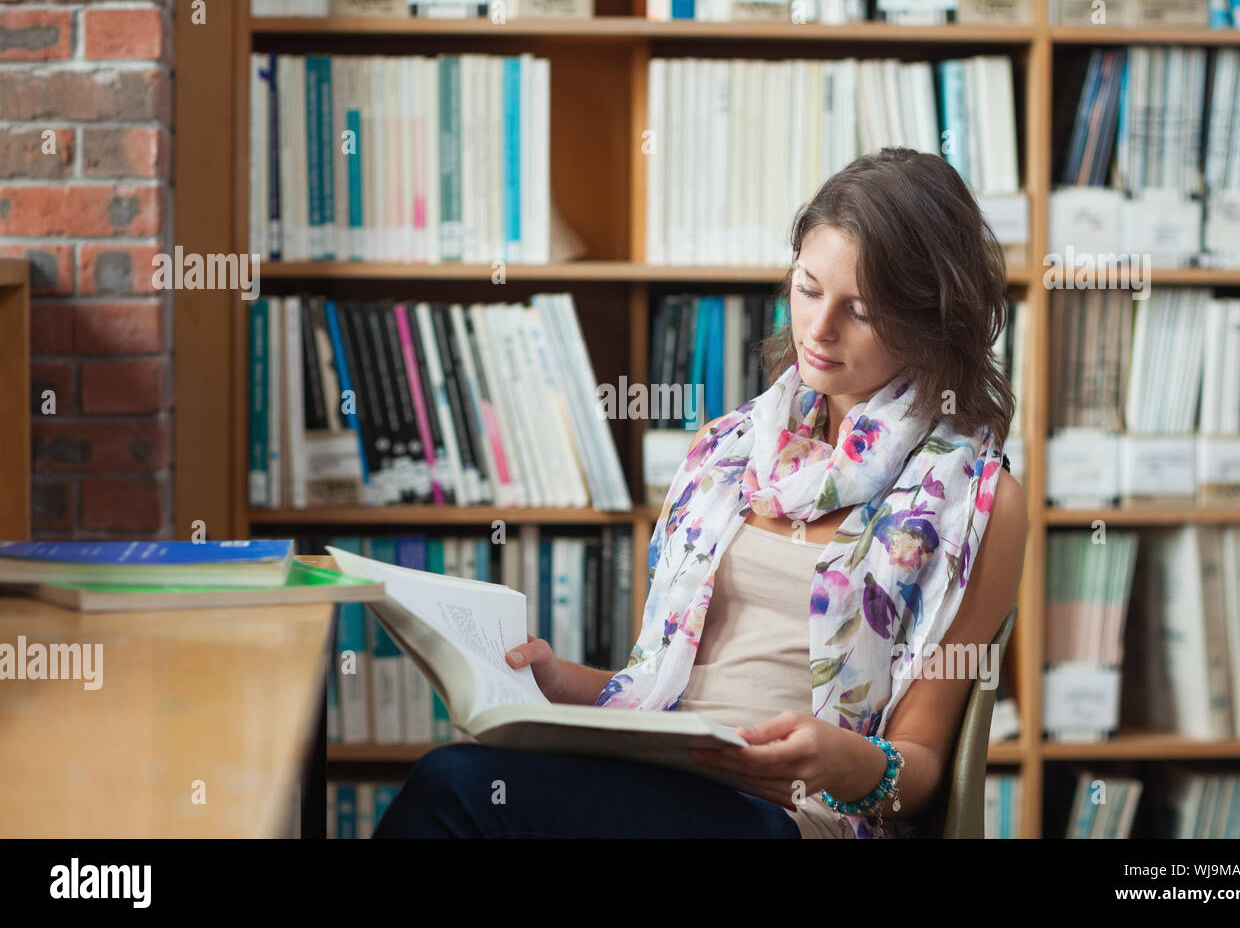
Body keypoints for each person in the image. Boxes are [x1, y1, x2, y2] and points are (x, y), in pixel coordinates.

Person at [374, 147, 1028, 839]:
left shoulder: (978, 496)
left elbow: (926, 769)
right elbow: (668, 695)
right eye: (808, 288)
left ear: (930, 320)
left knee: (458, 789)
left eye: (860, 311)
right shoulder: (726, 449)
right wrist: (558, 684)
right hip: (672, 787)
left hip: (801, 818)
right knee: (458, 777)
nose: (818, 329)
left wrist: (840, 761)